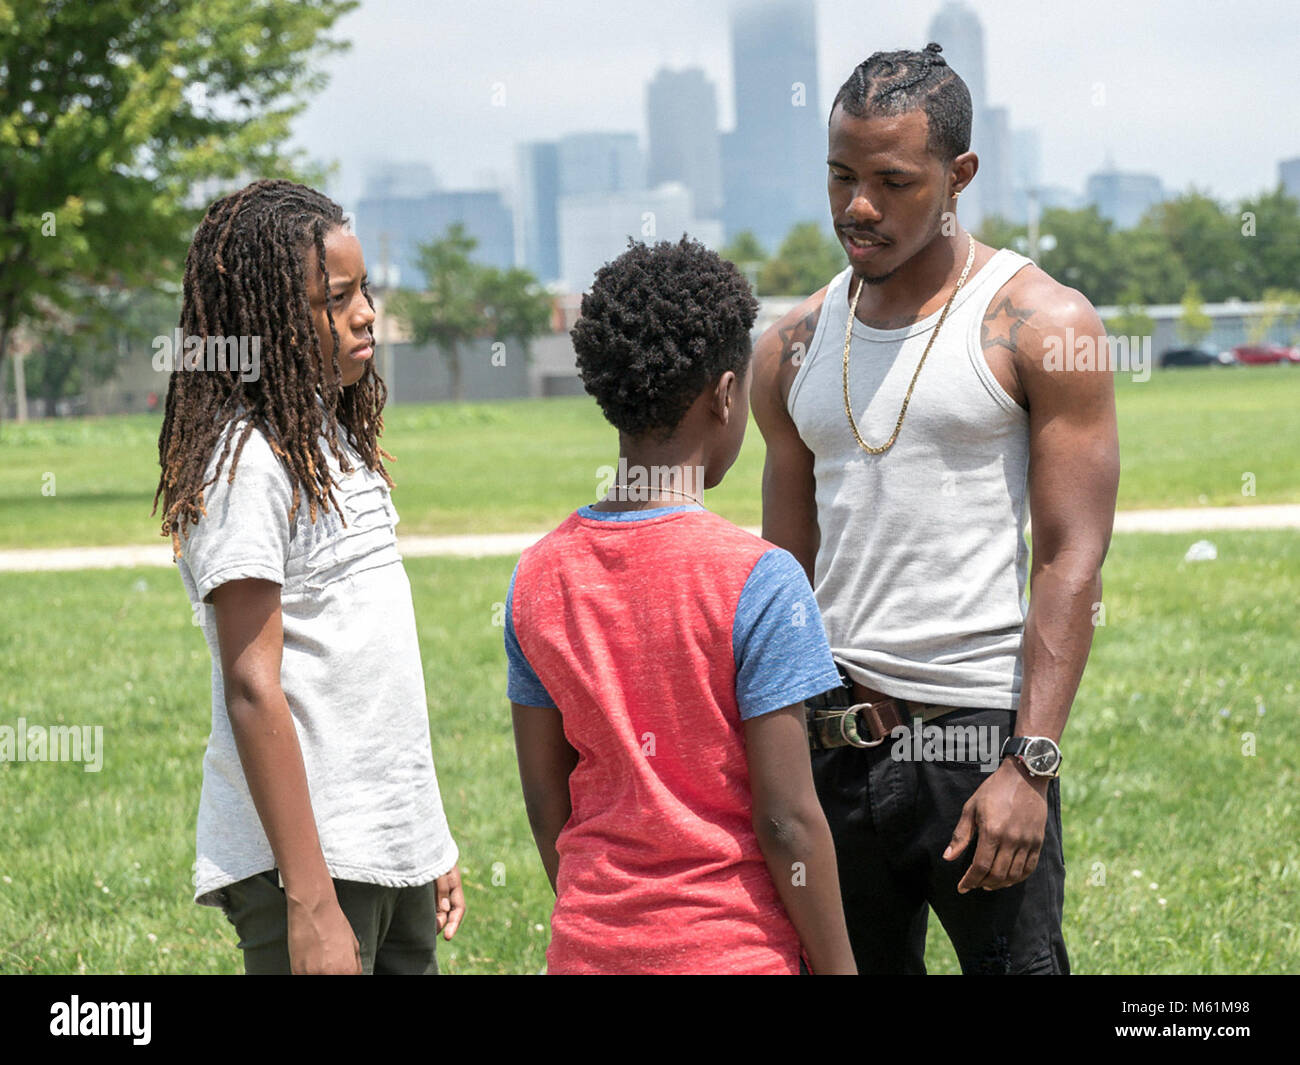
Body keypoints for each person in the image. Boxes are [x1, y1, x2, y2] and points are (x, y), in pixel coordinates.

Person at [751, 43, 1119, 974]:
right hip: (834, 742)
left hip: (981, 745)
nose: (857, 207)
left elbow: (1070, 557)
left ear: (959, 175)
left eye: (892, 180)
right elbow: (782, 571)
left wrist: (1029, 764)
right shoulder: (789, 347)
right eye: (840, 176)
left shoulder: (1042, 322)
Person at [506, 238, 856, 975]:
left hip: (588, 950)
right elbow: (788, 819)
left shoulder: (537, 575)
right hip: (731, 952)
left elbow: (547, 802)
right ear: (726, 395)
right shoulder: (760, 579)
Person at [153, 179, 464, 975]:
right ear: (268, 320)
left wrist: (423, 836)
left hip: (384, 844)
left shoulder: (336, 440)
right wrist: (310, 898)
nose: (366, 313)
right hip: (312, 862)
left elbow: (377, 674)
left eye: (366, 291)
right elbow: (253, 686)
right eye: (337, 298)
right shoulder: (245, 464)